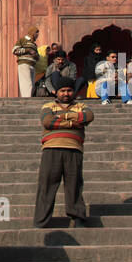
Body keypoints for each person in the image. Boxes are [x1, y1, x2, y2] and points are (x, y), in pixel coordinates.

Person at [34, 83, 95, 227]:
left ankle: (78, 217)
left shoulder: (81, 106)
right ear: (57, 92)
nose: (66, 93)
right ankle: (41, 221)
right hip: (51, 147)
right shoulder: (48, 106)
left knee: (74, 184)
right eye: (63, 91)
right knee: (47, 184)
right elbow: (47, 121)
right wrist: (74, 122)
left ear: (73, 91)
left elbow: (89, 116)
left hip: (73, 148)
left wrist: (61, 118)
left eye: (69, 90)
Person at [13, 28, 41, 98]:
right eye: (36, 33)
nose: (37, 35)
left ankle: (29, 98)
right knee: (27, 84)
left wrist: (36, 55)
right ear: (32, 32)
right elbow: (15, 51)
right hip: (24, 63)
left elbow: (37, 57)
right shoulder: (22, 40)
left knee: (32, 84)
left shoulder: (34, 44)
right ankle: (27, 99)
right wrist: (28, 50)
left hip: (32, 65)